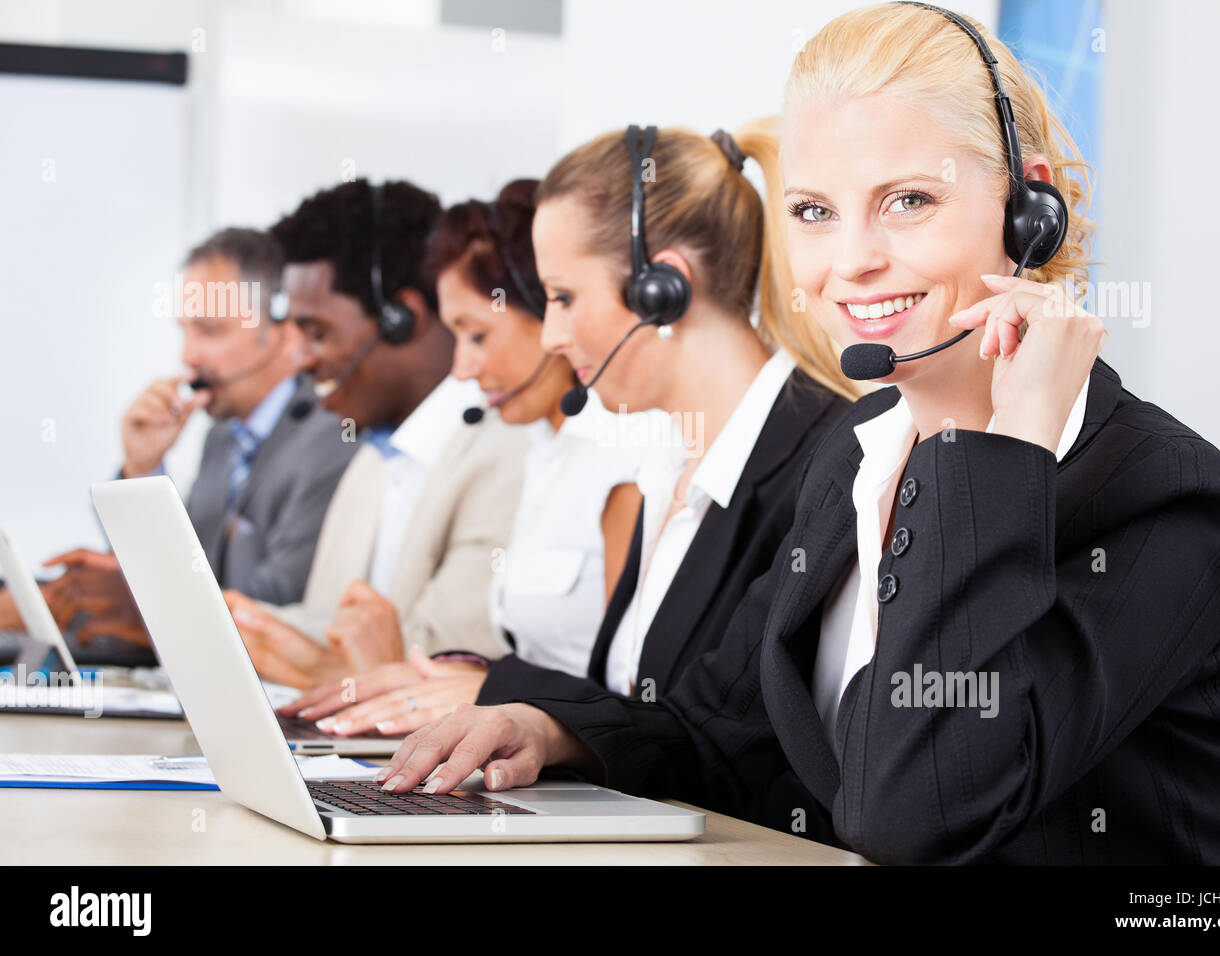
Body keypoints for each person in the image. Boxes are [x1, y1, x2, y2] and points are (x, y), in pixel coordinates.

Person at [375, 3, 1220, 866]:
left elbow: (921, 814)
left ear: (1032, 206)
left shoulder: (1168, 494)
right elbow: (726, 735)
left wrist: (999, 454)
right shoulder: (860, 447)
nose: (850, 261)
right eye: (813, 211)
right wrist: (549, 727)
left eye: (908, 200)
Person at [290, 123, 856, 837]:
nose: (552, 336)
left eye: (562, 296)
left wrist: (522, 702)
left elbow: (731, 739)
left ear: (663, 289)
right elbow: (661, 717)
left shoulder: (824, 459)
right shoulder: (674, 469)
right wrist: (521, 710)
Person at [223, 179, 528, 689]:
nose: (299, 359)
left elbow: (448, 656)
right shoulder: (372, 459)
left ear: (399, 320)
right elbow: (333, 622)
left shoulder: (507, 450)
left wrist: (297, 651)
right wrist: (240, 623)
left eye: (316, 332)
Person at [2, 228, 355, 647]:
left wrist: (82, 606)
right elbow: (184, 575)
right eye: (184, 331)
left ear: (288, 330)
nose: (188, 356)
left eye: (210, 331)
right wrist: (143, 468)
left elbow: (274, 604)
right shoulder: (223, 438)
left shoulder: (334, 434)